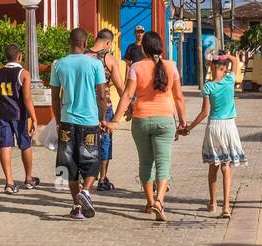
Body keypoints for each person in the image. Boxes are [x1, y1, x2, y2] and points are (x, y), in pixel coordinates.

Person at [114, 30, 185, 222]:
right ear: (161, 47)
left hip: (141, 119)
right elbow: (178, 97)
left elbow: (128, 95)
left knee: (145, 163)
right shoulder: (171, 66)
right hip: (165, 120)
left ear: (143, 48)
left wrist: (115, 120)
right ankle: (159, 202)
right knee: (163, 163)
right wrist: (183, 121)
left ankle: (150, 201)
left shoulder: (136, 66)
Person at [50, 27, 110, 220]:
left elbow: (55, 97)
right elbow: (101, 95)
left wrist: (59, 121)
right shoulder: (94, 64)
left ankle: (76, 206)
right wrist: (102, 117)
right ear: (85, 44)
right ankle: (85, 191)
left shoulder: (59, 65)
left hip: (67, 120)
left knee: (69, 165)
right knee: (92, 160)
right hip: (90, 120)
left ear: (70, 42)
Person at [181, 52, 246, 217]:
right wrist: (226, 55)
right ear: (225, 69)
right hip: (229, 126)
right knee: (226, 166)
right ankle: (226, 207)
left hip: (214, 127)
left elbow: (204, 112)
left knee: (213, 167)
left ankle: (213, 203)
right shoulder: (230, 80)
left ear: (211, 67)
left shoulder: (208, 86)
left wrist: (188, 128)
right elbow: (236, 61)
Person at [0, 44, 37, 193]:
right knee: (25, 144)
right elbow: (27, 98)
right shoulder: (23, 73)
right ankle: (28, 179)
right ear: (19, 57)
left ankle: (9, 182)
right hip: (20, 115)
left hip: (3, 114)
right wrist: (34, 118)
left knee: (5, 146)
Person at [86, 28, 122, 191]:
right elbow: (122, 88)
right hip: (104, 107)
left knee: (85, 142)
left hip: (84, 107)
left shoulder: (82, 56)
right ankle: (102, 178)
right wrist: (129, 106)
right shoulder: (109, 59)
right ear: (108, 43)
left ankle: (84, 177)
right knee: (104, 142)